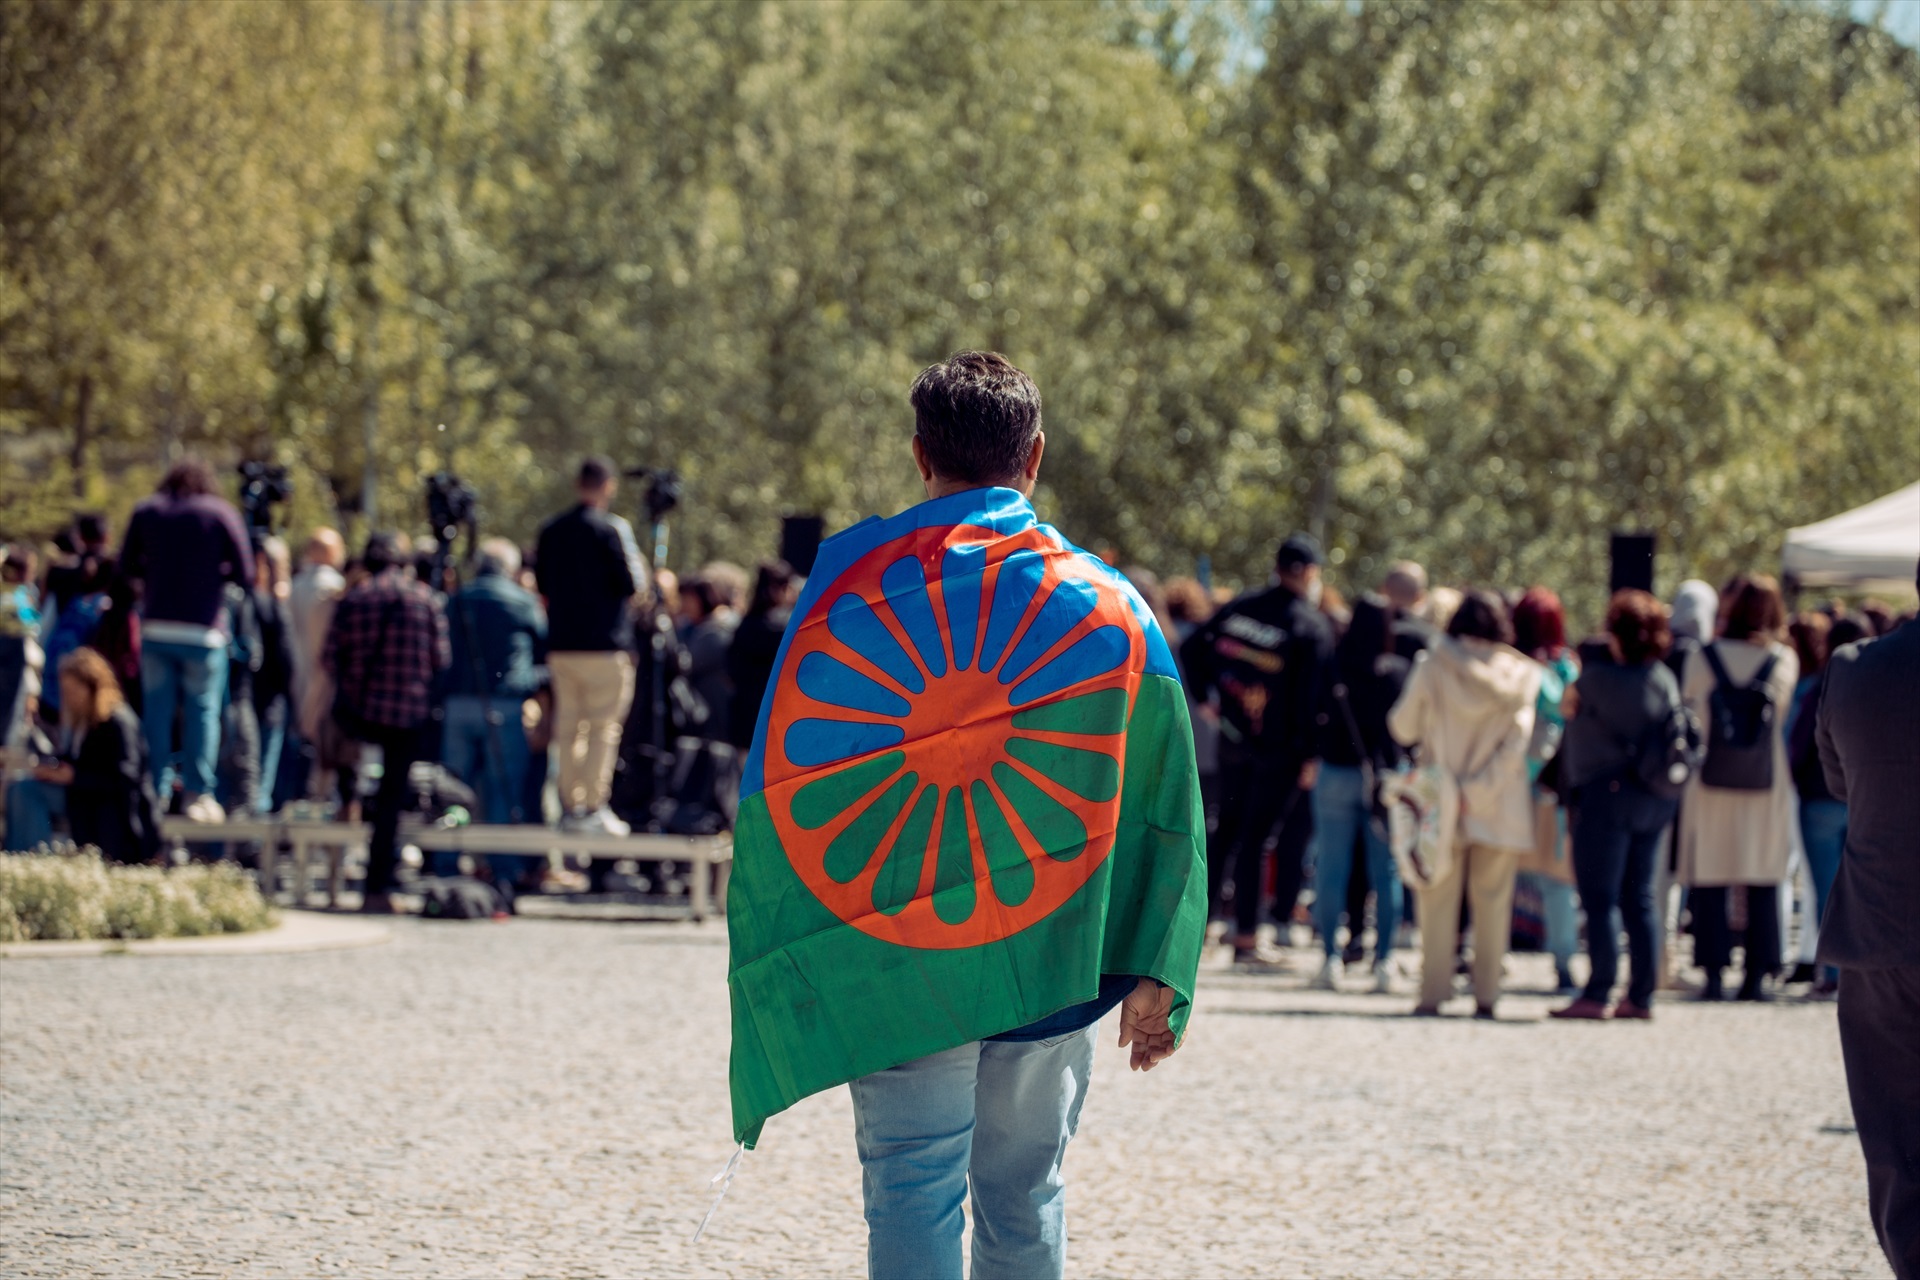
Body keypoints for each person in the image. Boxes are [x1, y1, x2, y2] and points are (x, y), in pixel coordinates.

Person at [725, 351, 1205, 1280]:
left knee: (910, 1187)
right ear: (1033, 457)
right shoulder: (1111, 609)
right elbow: (1166, 798)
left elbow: (787, 785)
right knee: (1027, 1195)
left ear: (919, 455)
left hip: (900, 946)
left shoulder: (844, 601)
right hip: (1051, 945)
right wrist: (1160, 961)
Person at [1815, 570, 1920, 1280]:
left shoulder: (1854, 671)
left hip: (1881, 922)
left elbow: (1837, 782)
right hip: (1881, 923)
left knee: (1897, 1143)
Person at [1179, 534, 1334, 963]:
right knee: (1254, 838)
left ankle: (1202, 928)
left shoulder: (1241, 607)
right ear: (1306, 572)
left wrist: (1210, 699)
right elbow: (1313, 702)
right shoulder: (1309, 626)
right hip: (1278, 751)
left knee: (1225, 831)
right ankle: (1245, 937)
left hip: (1235, 740)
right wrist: (1310, 756)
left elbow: (1194, 648)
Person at [1387, 589, 1540, 1018]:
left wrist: (1457, 789)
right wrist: (1480, 791)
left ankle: (1433, 993)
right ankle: (1488, 995)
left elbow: (1403, 727)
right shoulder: (1523, 675)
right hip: (1499, 805)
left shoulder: (1433, 664)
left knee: (1435, 900)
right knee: (1493, 900)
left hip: (1440, 799)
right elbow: (1518, 744)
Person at [1551, 590, 1684, 1020]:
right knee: (1640, 896)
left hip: (1604, 797)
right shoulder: (1663, 678)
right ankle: (1641, 994)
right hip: (1654, 798)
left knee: (1600, 896)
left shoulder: (1595, 680)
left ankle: (1598, 989)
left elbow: (1565, 711)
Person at [1678, 574, 1798, 1001]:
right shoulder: (1783, 660)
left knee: (1710, 875)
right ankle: (1757, 973)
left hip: (1709, 778)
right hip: (1766, 781)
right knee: (1762, 876)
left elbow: (1689, 710)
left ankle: (1712, 970)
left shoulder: (1701, 658)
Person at [118, 457, 254, 823]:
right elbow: (247, 572)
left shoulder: (147, 511)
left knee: (156, 713)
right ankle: (198, 793)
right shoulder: (220, 512)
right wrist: (213, 574)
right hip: (203, 631)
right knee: (202, 711)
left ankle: (155, 789)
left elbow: (125, 567)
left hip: (157, 627)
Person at [323, 532, 450, 913]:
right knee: (393, 799)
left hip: (360, 712)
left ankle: (339, 861)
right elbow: (441, 660)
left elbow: (330, 657)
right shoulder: (424, 598)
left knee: (345, 788)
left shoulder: (354, 599)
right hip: (406, 715)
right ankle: (377, 884)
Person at [535, 457, 648, 836]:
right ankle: (595, 805)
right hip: (605, 646)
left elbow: (544, 586)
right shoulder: (612, 529)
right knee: (602, 728)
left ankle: (570, 806)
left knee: (568, 726)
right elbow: (632, 584)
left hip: (562, 646)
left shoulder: (551, 531)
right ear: (608, 486)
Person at [1308, 593, 1408, 991]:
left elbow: (1313, 715)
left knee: (1331, 869)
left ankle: (1330, 958)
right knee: (1386, 872)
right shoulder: (1395, 672)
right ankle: (1385, 961)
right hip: (1384, 780)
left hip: (1335, 772)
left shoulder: (1333, 665)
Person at [441, 539, 548, 888]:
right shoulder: (522, 602)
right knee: (503, 790)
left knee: (453, 789)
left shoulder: (458, 600)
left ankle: (446, 865)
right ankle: (504, 870)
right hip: (504, 705)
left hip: (458, 704)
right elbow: (542, 649)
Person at [11, 649, 160, 863]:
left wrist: (73, 777)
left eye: (73, 691)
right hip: (84, 798)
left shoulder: (118, 721)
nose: (69, 699)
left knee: (25, 791)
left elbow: (126, 778)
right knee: (20, 787)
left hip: (110, 809)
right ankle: (21, 856)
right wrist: (53, 770)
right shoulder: (83, 721)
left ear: (93, 687)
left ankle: (31, 858)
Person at [1788, 613, 1868, 997]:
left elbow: (1799, 741)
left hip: (1820, 798)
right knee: (1861, 889)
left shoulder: (1821, 684)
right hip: (1861, 798)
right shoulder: (1879, 684)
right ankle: (1856, 971)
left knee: (1826, 891)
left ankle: (1835, 973)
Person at [1511, 587, 1581, 994]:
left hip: (1511, 780)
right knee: (1557, 880)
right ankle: (1564, 961)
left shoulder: (1505, 665)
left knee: (1496, 873)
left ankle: (1486, 954)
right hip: (1555, 786)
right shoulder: (1568, 668)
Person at [725, 560, 797, 749]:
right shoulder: (783, 629)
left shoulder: (744, 626)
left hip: (743, 717)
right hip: (774, 719)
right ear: (777, 589)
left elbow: (730, 671)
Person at [677, 571, 739, 741]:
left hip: (714, 708)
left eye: (688, 598)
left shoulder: (715, 631)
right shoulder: (689, 627)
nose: (683, 604)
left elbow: (687, 664)